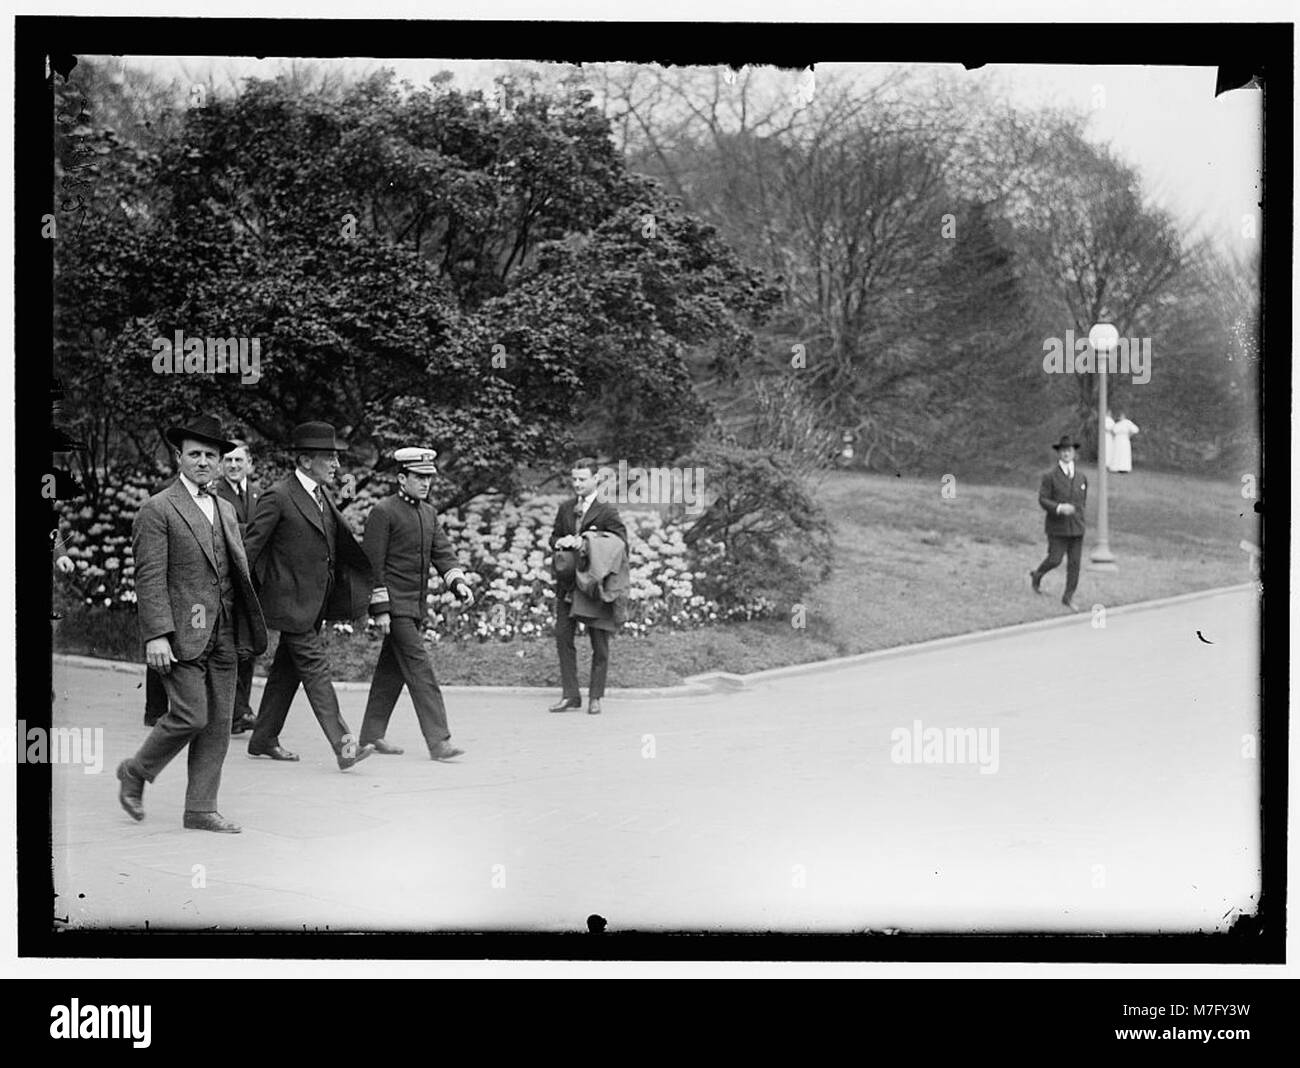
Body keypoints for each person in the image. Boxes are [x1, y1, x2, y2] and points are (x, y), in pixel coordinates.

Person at [116, 415, 267, 832]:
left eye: (211, 456)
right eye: (195, 454)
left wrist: (245, 624)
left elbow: (234, 569)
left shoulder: (224, 508)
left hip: (224, 632)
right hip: (181, 634)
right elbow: (149, 577)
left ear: (221, 462)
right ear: (178, 457)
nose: (203, 462)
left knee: (218, 722)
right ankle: (136, 771)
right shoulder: (158, 509)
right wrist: (157, 635)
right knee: (190, 715)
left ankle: (200, 809)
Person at [242, 421, 376, 770]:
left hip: (314, 604)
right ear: (304, 461)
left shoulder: (320, 493)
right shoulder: (278, 496)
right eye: (328, 458)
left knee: (287, 671)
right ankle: (345, 746)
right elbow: (249, 549)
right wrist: (241, 597)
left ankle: (263, 737)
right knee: (316, 672)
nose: (336, 465)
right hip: (291, 605)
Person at [358, 447, 475, 761]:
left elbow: (443, 553)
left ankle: (370, 736)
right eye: (419, 477)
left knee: (390, 672)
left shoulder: (428, 513)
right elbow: (373, 565)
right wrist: (380, 609)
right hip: (395, 608)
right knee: (420, 669)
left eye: (429, 478)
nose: (426, 484)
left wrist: (458, 582)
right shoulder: (384, 511)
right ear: (401, 478)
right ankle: (439, 741)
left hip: (415, 606)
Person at [547, 458, 627, 715]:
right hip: (569, 584)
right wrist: (563, 541)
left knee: (599, 641)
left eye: (582, 479)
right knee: (562, 637)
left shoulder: (607, 510)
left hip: (594, 585)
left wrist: (588, 541)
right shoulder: (566, 508)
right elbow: (553, 537)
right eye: (575, 479)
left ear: (596, 480)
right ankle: (571, 695)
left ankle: (595, 696)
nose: (577, 483)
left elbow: (620, 543)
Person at [211, 440, 259, 734]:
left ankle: (240, 710)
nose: (232, 466)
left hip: (250, 580)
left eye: (238, 461)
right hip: (226, 577)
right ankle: (236, 710)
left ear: (249, 464)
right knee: (228, 644)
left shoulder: (257, 494)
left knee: (249, 646)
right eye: (227, 460)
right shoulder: (215, 494)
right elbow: (220, 528)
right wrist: (254, 530)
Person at [1029, 432, 1088, 613]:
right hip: (1057, 527)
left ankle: (1068, 596)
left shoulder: (1081, 477)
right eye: (1063, 451)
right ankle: (1038, 574)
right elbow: (1043, 499)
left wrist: (1079, 518)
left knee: (1075, 564)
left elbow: (1082, 502)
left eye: (1069, 450)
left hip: (1076, 527)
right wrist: (1059, 508)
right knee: (1055, 559)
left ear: (1074, 453)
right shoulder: (1050, 476)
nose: (1066, 453)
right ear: (1059, 453)